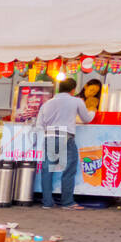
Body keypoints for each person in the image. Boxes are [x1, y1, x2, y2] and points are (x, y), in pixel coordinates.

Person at [37, 77, 94, 210]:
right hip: (66, 135)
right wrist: (92, 111)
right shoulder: (76, 101)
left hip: (50, 134)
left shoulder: (48, 103)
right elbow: (86, 119)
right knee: (68, 169)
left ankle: (47, 203)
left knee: (47, 170)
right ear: (73, 89)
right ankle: (67, 202)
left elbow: (40, 123)